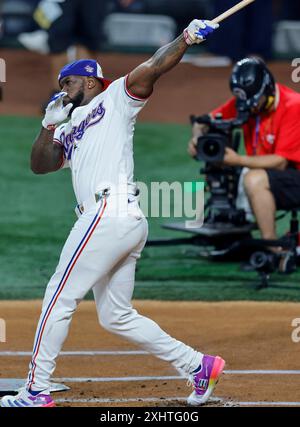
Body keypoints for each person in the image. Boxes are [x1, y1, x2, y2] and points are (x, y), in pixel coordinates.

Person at [1, 18, 225, 408]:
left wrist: (185, 39)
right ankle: (198, 365)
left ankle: (36, 390)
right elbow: (40, 165)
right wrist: (48, 125)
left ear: (88, 81)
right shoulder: (69, 126)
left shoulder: (114, 97)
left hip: (109, 212)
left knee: (58, 295)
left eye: (66, 84)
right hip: (118, 220)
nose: (62, 91)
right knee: (116, 316)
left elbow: (153, 66)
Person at [188, 57, 300, 246]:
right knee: (229, 173)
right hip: (273, 173)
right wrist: (197, 138)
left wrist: (238, 160)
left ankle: (271, 248)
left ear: (268, 90)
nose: (251, 108)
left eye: (254, 103)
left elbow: (280, 162)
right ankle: (233, 237)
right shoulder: (248, 100)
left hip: (294, 174)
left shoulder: (293, 106)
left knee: (253, 178)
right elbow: (203, 122)